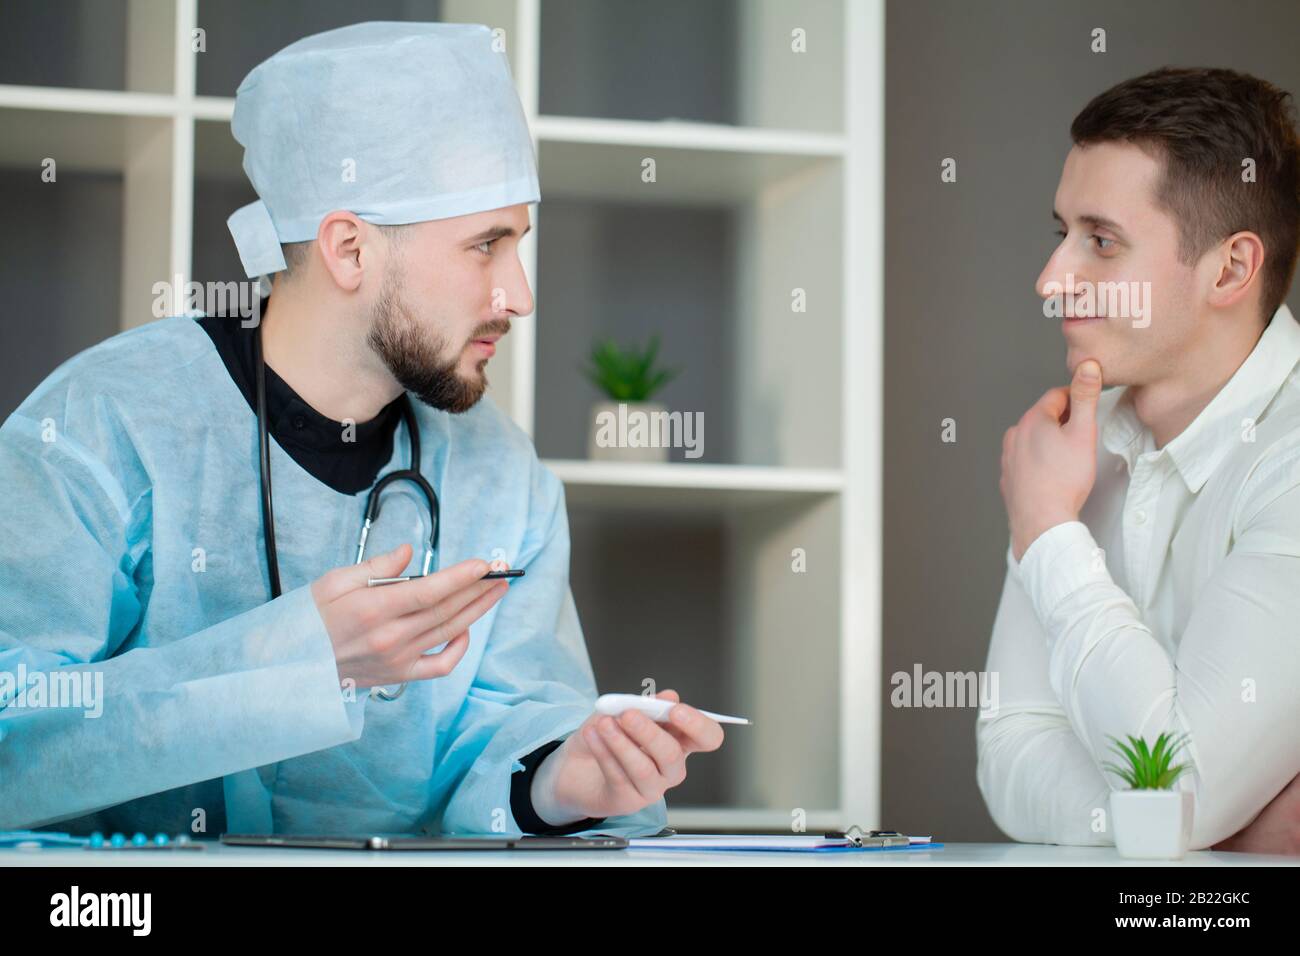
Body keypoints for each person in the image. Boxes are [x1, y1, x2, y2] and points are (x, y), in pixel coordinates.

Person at [0, 21, 722, 838]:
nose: (517, 296)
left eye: (517, 245)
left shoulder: (500, 471)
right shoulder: (102, 424)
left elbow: (508, 725)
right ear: (348, 250)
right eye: (485, 246)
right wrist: (298, 661)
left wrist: (558, 781)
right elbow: (11, 736)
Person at [979, 67, 1300, 853]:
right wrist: (1205, 826)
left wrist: (1050, 533)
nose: (1051, 281)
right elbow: (1010, 760)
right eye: (1062, 234)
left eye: (1101, 241)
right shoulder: (1073, 454)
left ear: (1229, 269)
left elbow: (1180, 790)